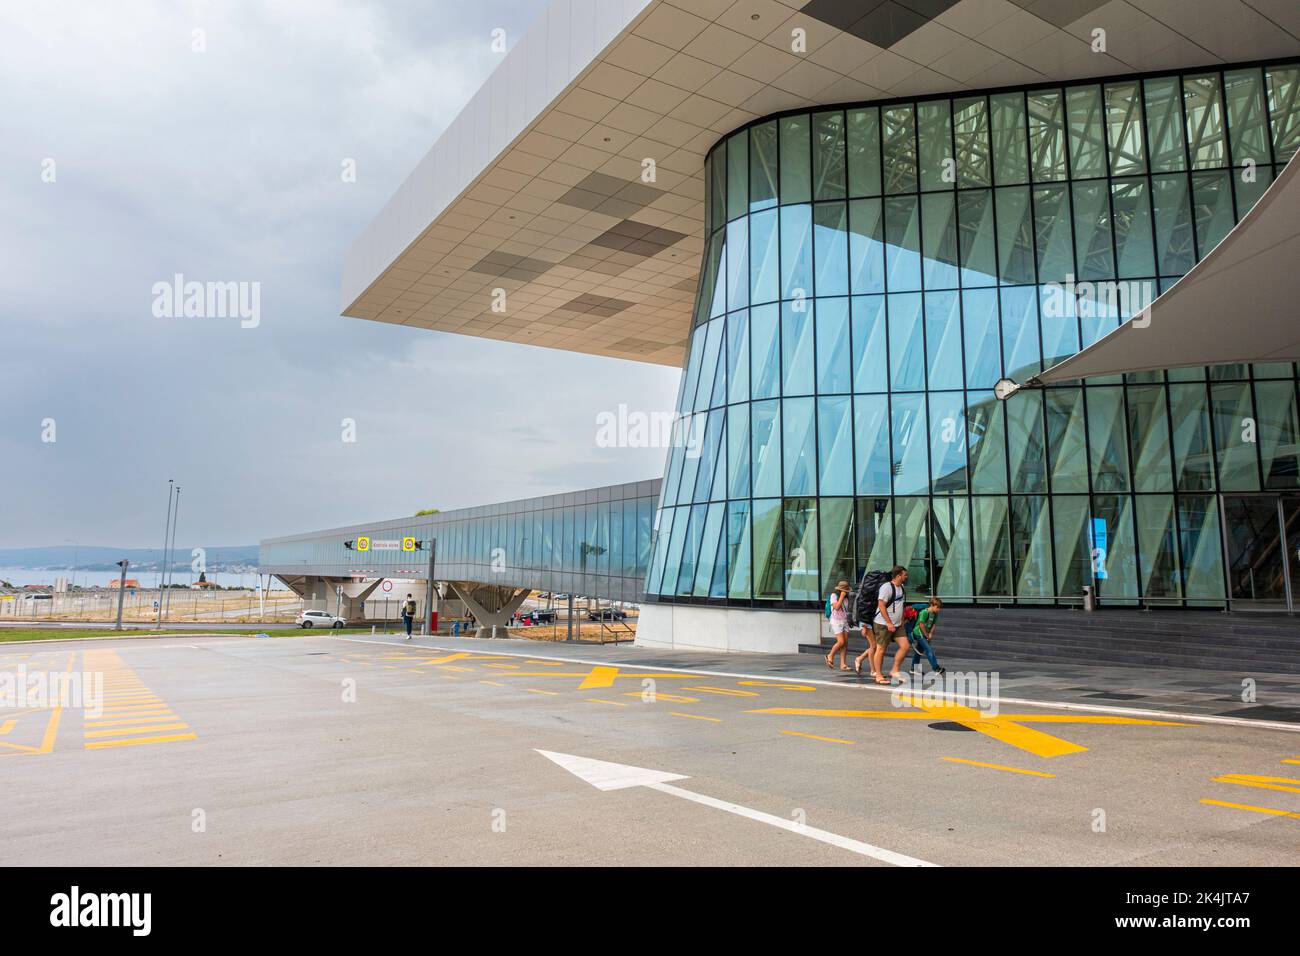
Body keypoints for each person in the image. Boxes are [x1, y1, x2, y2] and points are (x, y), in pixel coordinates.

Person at [854, 566, 909, 684]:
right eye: (905, 575)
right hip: (883, 624)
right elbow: (881, 605)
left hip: (898, 625)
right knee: (881, 649)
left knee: (905, 646)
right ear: (898, 576)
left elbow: (901, 606)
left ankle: (894, 670)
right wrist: (889, 623)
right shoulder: (886, 587)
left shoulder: (902, 588)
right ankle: (878, 675)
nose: (906, 577)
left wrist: (902, 621)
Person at [910, 597, 945, 674]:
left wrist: (930, 634)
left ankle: (914, 669)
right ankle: (936, 668)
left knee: (919, 651)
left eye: (940, 608)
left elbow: (934, 625)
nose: (939, 609)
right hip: (919, 633)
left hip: (925, 634)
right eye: (937, 607)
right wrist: (926, 635)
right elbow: (921, 625)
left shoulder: (935, 614)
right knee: (929, 650)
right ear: (932, 605)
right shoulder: (924, 612)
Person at [824, 580, 852, 672]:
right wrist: (842, 597)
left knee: (845, 644)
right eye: (844, 591)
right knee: (841, 642)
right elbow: (836, 607)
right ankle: (830, 655)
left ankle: (843, 664)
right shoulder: (834, 596)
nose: (846, 592)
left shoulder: (847, 598)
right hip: (836, 621)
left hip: (844, 621)